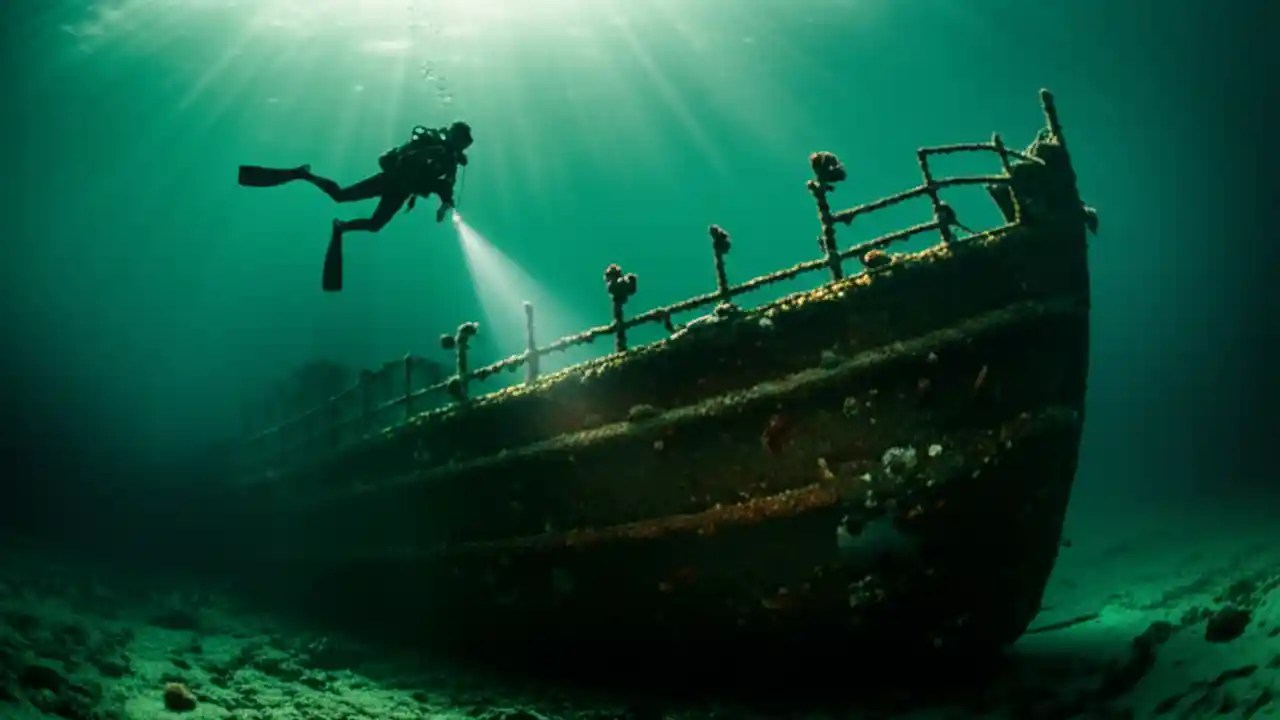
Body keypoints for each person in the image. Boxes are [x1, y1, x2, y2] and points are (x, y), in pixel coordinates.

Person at [237, 121, 474, 290]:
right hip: (388, 181)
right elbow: (407, 159)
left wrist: (445, 205)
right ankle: (303, 175)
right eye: (461, 141)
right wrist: (431, 156)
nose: (461, 147)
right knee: (340, 195)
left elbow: (445, 187)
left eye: (464, 145)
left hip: (400, 192)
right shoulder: (431, 144)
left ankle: (341, 226)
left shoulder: (449, 161)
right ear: (454, 136)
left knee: (374, 225)